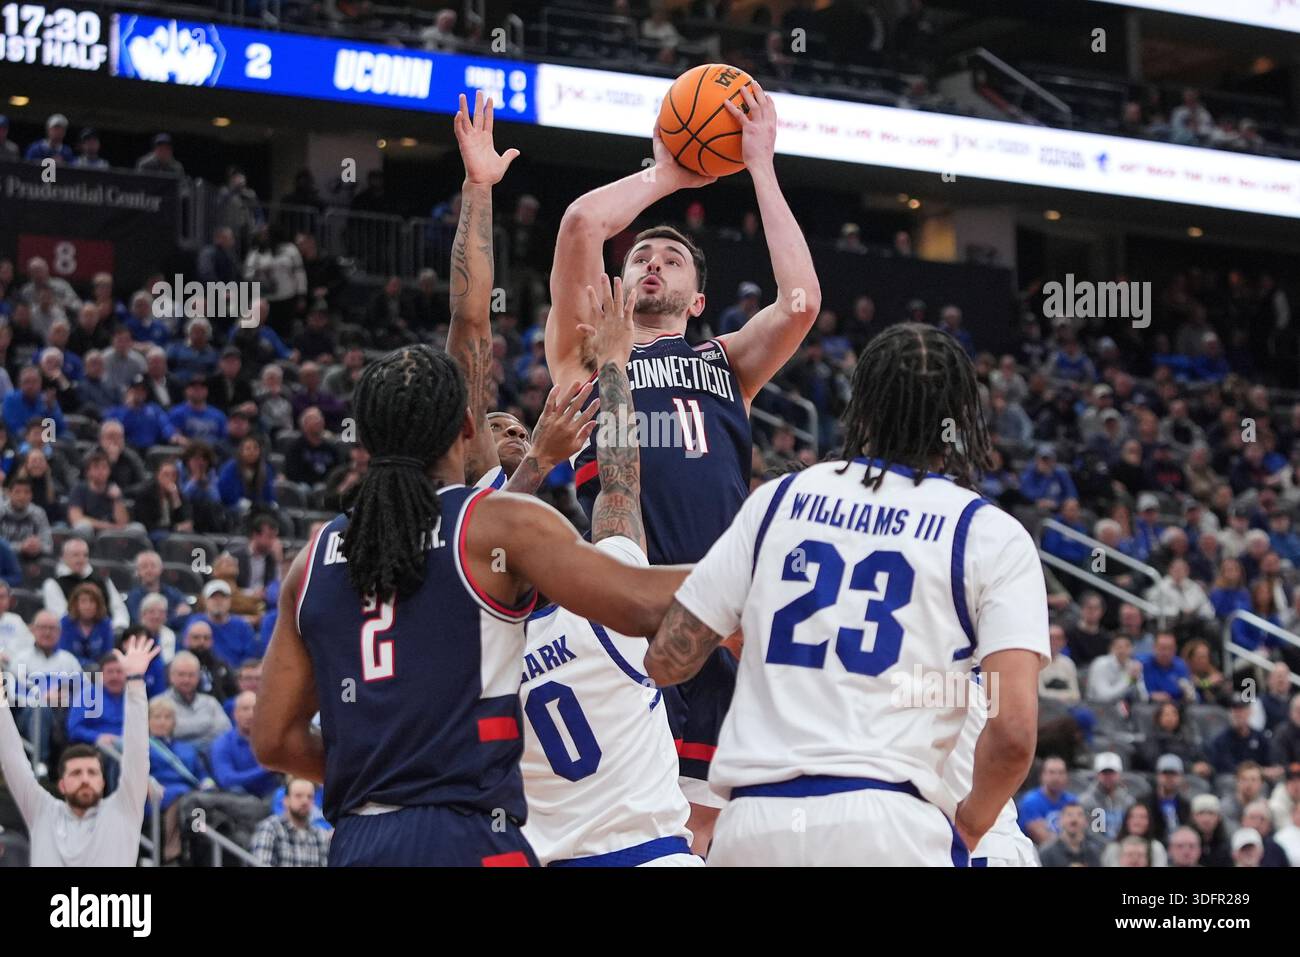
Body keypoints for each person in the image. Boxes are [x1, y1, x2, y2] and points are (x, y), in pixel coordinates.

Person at [252, 344, 689, 866]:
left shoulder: (311, 561)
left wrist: (383, 773)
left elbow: (274, 740)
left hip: (359, 838)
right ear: (465, 427)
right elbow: (641, 600)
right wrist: (752, 561)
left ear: (363, 439)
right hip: (465, 832)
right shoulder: (495, 527)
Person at [644, 323, 1047, 865]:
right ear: (961, 420)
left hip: (754, 826)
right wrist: (971, 826)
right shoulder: (987, 532)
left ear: (861, 408)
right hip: (890, 824)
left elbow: (668, 658)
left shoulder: (781, 498)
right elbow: (1015, 733)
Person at [520, 275, 696, 866]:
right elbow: (620, 479)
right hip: (653, 854)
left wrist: (531, 462)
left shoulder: (482, 651)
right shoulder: (603, 607)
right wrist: (615, 364)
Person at [0, 635, 159, 865]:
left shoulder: (123, 810)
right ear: (62, 784)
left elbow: (137, 753)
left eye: (92, 773)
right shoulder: (42, 811)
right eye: (76, 773)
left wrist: (135, 682)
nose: (85, 779)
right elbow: (11, 756)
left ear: (103, 782)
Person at [251, 775, 332, 866]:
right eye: (298, 796)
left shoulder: (319, 836)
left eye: (309, 797)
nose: (305, 801)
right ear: (286, 800)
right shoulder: (269, 829)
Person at [1078, 751, 1136, 840]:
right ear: (1097, 775)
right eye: (1104, 773)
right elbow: (1087, 834)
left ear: (1119, 774)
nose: (1108, 776)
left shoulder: (1129, 802)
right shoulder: (1086, 801)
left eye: (1112, 772)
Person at [1037, 802, 1104, 867]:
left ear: (1086, 822)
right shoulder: (1047, 853)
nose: (1074, 819)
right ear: (1060, 821)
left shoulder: (1093, 853)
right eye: (1069, 815)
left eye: (1079, 815)